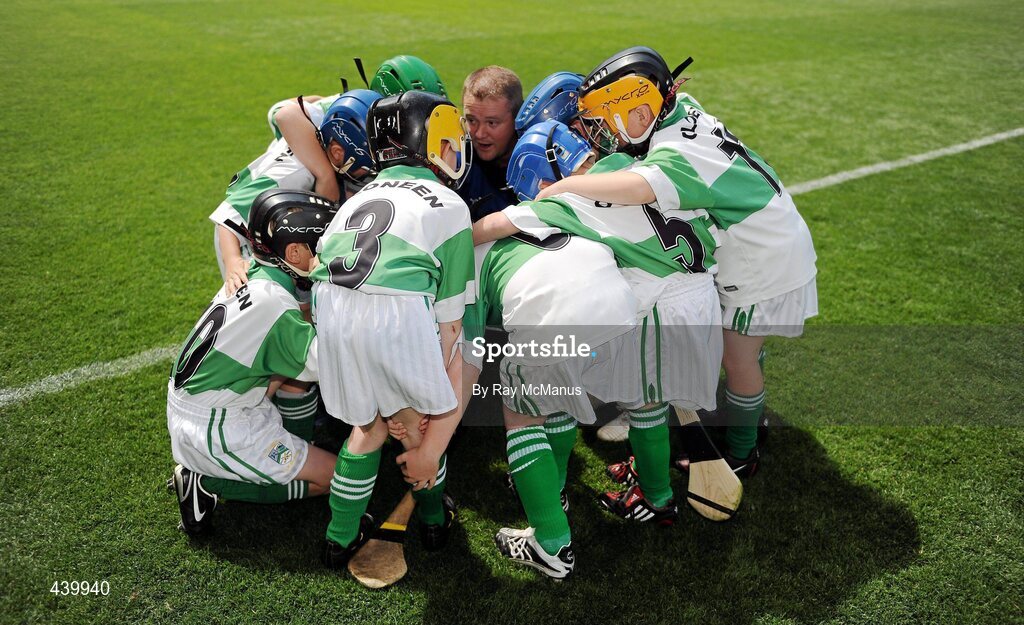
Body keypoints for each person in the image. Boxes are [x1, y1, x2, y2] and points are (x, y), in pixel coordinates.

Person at [537, 46, 818, 475]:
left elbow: (639, 186)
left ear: (640, 112)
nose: (604, 135)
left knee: (737, 358)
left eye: (608, 122)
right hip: (771, 238)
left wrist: (564, 188)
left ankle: (742, 452)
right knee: (742, 347)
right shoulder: (681, 107)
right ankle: (749, 416)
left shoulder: (676, 155)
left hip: (763, 260)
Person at [475, 120, 724, 522]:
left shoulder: (563, 199)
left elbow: (494, 225)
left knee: (639, 405)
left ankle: (654, 498)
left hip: (657, 304)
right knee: (647, 399)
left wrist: (446, 243)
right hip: (703, 293)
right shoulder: (629, 164)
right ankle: (647, 479)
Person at [461, 126, 640, 578]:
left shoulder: (477, 250)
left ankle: (551, 546)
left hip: (558, 316)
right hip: (623, 319)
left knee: (520, 415)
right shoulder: (572, 209)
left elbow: (470, 346)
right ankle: (555, 486)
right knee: (553, 393)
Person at [310, 90, 474, 569]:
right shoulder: (449, 203)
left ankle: (338, 538)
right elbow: (451, 321)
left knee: (367, 427)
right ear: (432, 141)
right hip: (396, 313)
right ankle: (433, 520)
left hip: (333, 309)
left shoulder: (357, 197)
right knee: (418, 431)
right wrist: (423, 397)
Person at [169, 189, 339, 536]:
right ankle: (205, 480)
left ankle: (288, 456)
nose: (324, 255)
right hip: (217, 425)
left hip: (209, 403)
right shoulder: (275, 306)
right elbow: (332, 366)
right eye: (318, 246)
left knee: (291, 374)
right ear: (293, 252)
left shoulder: (254, 273)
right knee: (336, 477)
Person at [211, 90, 380, 296]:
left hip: (285, 230)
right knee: (266, 299)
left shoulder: (319, 134)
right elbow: (229, 215)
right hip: (244, 238)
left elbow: (278, 112)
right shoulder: (295, 170)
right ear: (338, 152)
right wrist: (233, 261)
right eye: (367, 164)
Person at [458, 66, 522, 220]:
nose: (479, 134)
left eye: (492, 123)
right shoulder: (455, 161)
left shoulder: (542, 163)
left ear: (517, 118)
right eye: (471, 120)